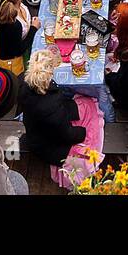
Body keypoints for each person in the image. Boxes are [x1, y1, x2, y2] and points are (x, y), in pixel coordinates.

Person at [18, 47, 104, 189]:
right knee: (87, 127)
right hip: (47, 144)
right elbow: (67, 134)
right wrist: (82, 132)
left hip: (36, 126)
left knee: (80, 108)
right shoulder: (51, 106)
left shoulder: (24, 82)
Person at [0, 0, 39, 70]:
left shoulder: (7, 0)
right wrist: (33, 28)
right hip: (15, 57)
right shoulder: (14, 24)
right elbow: (18, 50)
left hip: (19, 40)